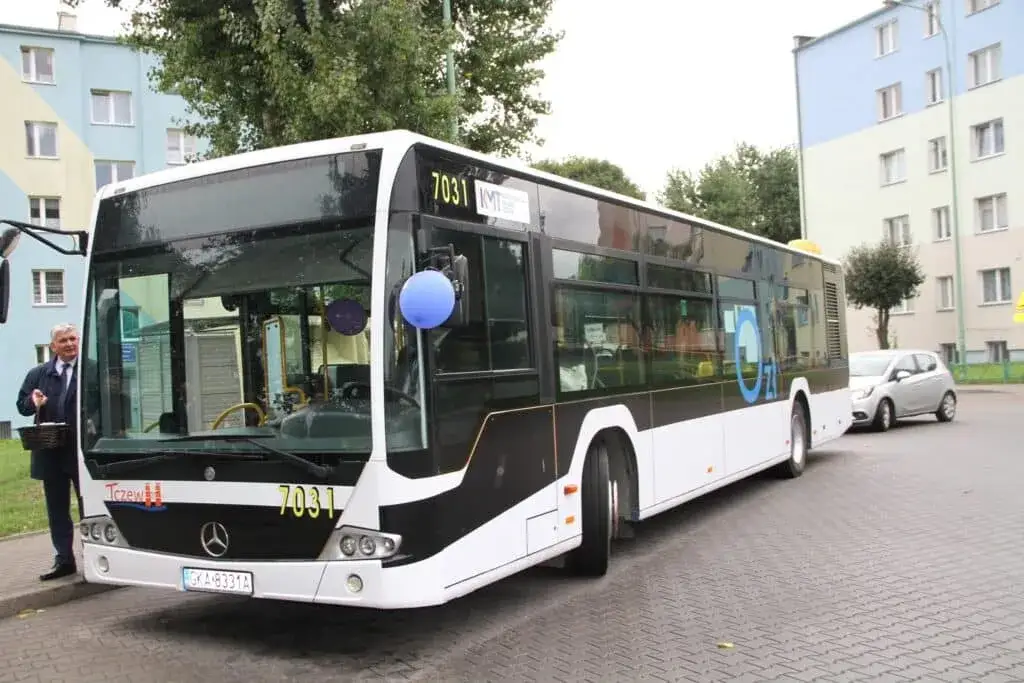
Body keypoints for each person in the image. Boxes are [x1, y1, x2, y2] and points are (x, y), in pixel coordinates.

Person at [15, 323, 85, 581]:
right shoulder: (38, 374)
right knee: (57, 509)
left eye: (73, 338)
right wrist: (33, 402)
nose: (69, 344)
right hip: (50, 451)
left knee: (88, 507)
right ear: (53, 346)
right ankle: (64, 560)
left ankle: (95, 555)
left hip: (80, 451)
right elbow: (22, 406)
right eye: (63, 340)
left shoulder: (89, 368)